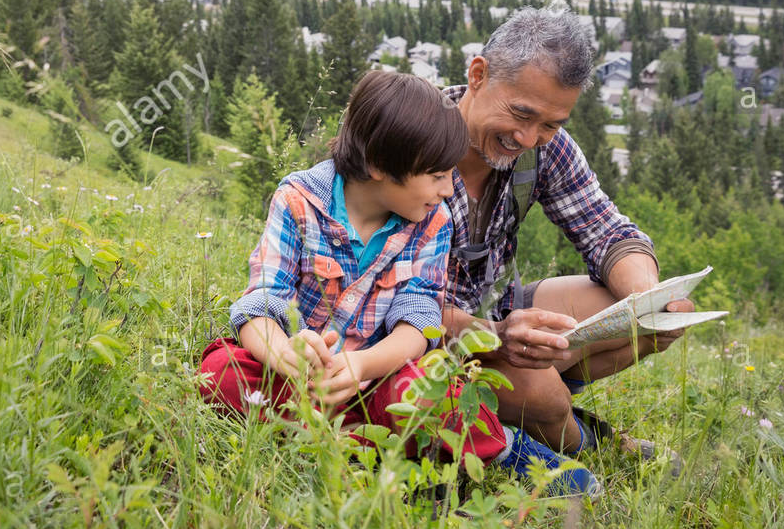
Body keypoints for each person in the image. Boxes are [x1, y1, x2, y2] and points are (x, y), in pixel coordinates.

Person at [199, 70, 545, 481]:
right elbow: (262, 301)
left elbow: (419, 321)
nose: (448, 191)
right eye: (436, 177)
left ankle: (502, 446)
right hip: (299, 382)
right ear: (381, 165)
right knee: (220, 369)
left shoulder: (432, 222)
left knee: (435, 390)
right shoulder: (297, 201)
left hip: (376, 384)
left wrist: (361, 365)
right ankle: (363, 444)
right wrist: (285, 356)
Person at [440, 4, 693, 467]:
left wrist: (649, 297)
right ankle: (588, 441)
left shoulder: (545, 146)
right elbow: (385, 299)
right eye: (521, 113)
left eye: (551, 124)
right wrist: (494, 335)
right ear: (479, 74)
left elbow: (605, 229)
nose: (529, 137)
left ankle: (536, 416)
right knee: (541, 392)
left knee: (639, 321)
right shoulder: (412, 139)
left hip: (499, 317)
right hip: (419, 342)